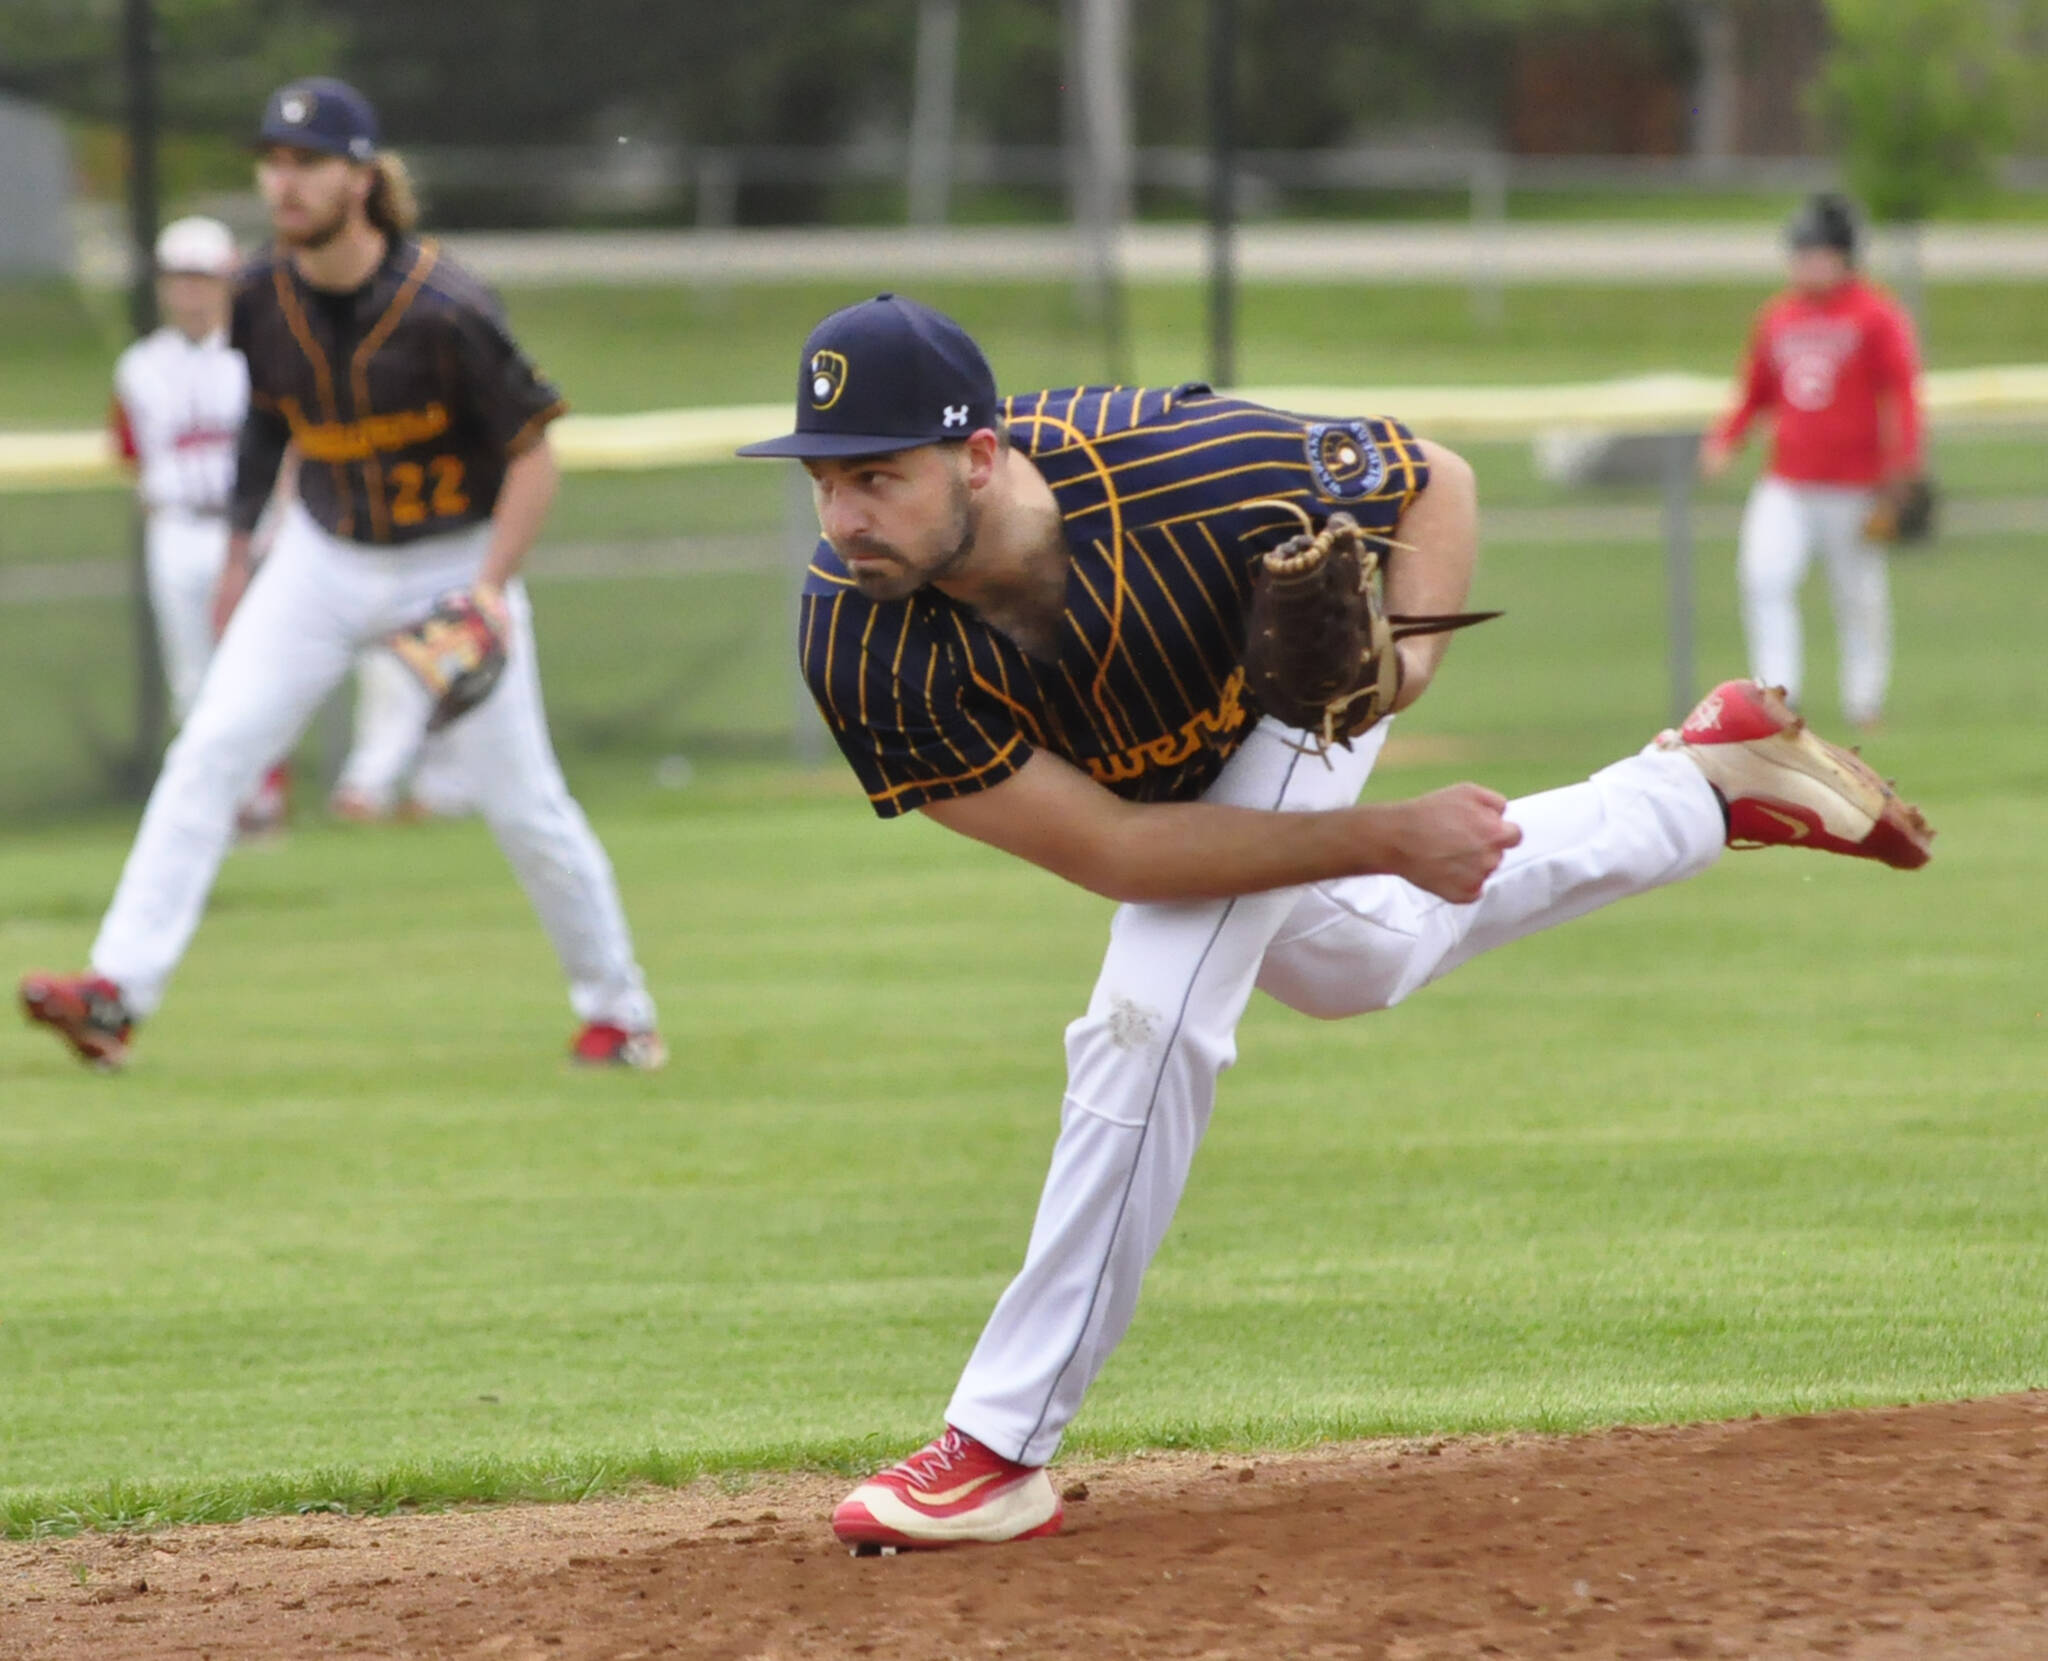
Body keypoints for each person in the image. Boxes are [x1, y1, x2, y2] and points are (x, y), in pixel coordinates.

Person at [737, 294, 1933, 1551]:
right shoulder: (856, 637)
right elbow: (1118, 850)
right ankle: (1698, 788)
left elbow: (1435, 479)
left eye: (876, 476)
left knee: (1148, 1012)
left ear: (977, 455)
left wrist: (1396, 673)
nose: (842, 518)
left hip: (1296, 712)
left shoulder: (1184, 472)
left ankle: (997, 1445)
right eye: (823, 480)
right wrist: (1386, 834)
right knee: (1358, 954)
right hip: (1163, 804)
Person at [19, 77, 662, 1072]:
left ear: (361, 177)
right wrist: (241, 553)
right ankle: (115, 992)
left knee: (524, 801)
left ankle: (619, 1011)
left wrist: (489, 588)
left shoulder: (445, 307)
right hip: (321, 557)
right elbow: (267, 425)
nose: (283, 180)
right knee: (211, 752)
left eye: (307, 161)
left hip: (451, 559)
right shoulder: (257, 295)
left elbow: (533, 454)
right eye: (272, 161)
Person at [1702, 192, 1925, 731]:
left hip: (1855, 484)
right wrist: (1726, 439)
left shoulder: (1876, 315)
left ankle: (1864, 701)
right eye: (1799, 252)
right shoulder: (1779, 316)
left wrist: (1905, 465)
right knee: (1764, 576)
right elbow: (1756, 390)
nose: (1804, 263)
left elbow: (1902, 392)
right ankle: (1779, 696)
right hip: (1789, 480)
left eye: (1816, 252)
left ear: (1844, 256)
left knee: (1858, 597)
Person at [110, 215, 290, 837]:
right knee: (192, 678)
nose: (190, 292)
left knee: (255, 667)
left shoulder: (257, 355)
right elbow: (130, 451)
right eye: (179, 278)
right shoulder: (139, 366)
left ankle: (262, 802)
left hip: (244, 530)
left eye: (203, 278)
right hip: (178, 528)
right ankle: (216, 807)